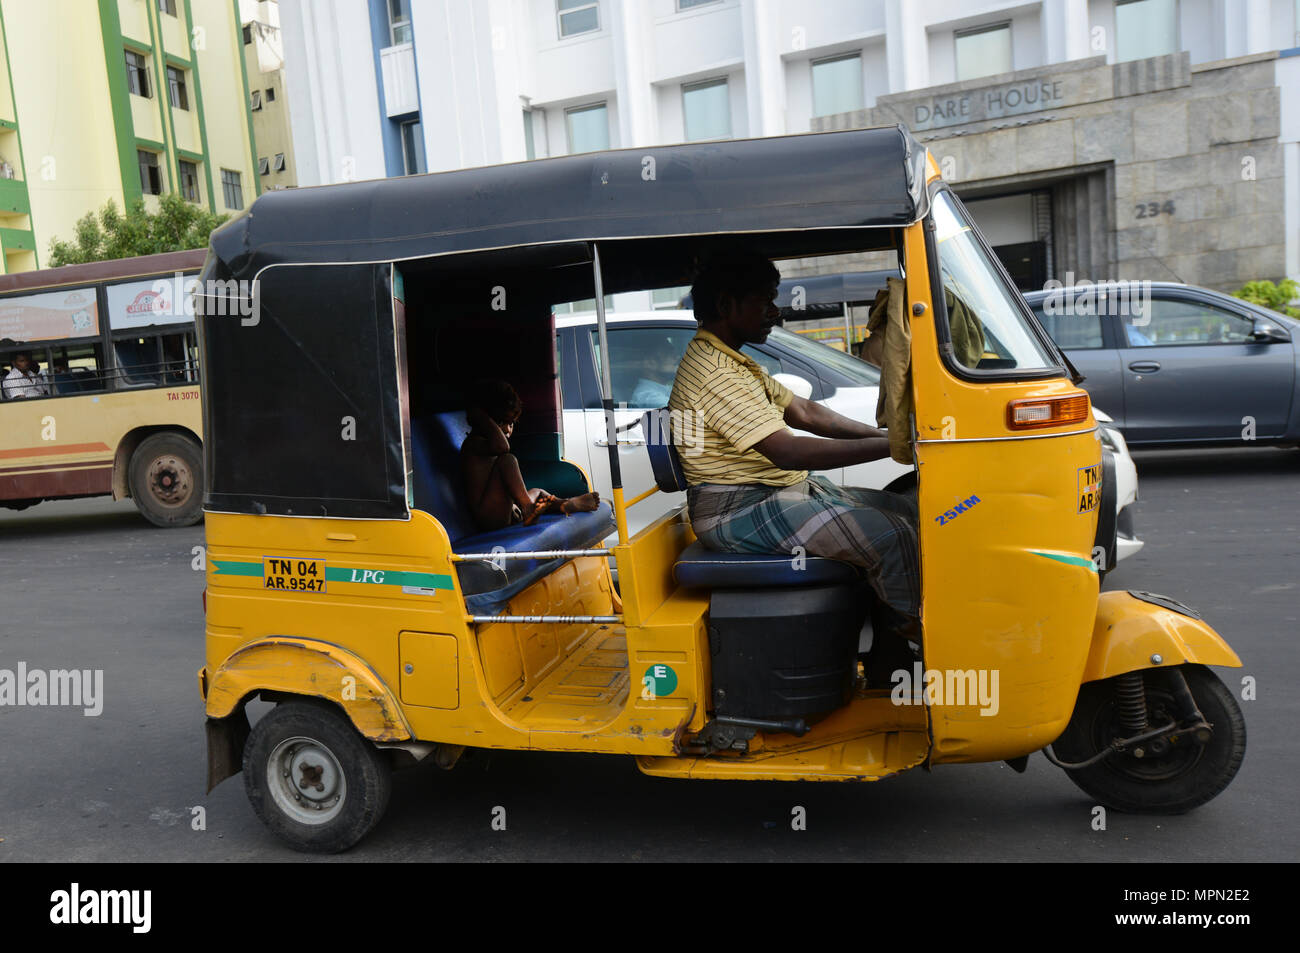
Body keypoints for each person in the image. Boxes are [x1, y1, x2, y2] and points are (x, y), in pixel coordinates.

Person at [668, 251, 921, 670]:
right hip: (739, 510)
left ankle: (886, 648)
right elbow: (788, 450)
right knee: (891, 537)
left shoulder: (734, 361)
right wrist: (893, 447)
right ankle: (924, 646)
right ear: (727, 305)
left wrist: (889, 436)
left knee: (909, 511)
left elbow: (806, 413)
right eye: (764, 299)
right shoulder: (712, 371)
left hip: (777, 494)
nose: (775, 310)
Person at [461, 378, 601, 532]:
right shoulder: (473, 443)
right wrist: (481, 417)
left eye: (511, 423)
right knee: (508, 460)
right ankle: (528, 508)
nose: (508, 430)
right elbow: (502, 447)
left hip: (506, 510)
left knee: (537, 492)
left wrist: (515, 504)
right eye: (501, 422)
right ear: (485, 421)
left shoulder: (491, 444)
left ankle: (564, 504)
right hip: (489, 519)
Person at [629, 338, 680, 408]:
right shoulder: (648, 396)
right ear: (650, 363)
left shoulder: (664, 389)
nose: (677, 357)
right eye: (668, 353)